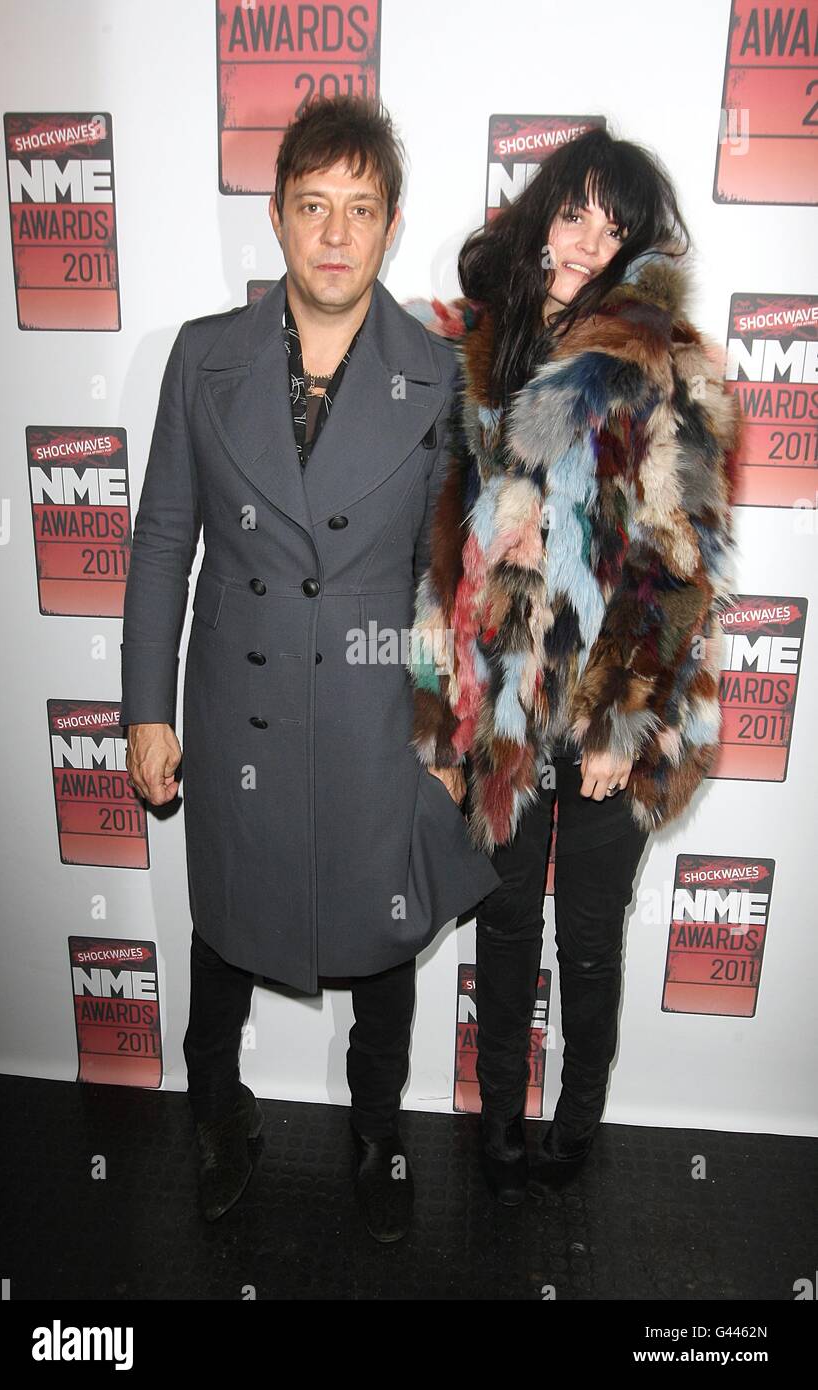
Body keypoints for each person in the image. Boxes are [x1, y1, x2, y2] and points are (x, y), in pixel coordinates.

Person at [119, 94, 500, 1242]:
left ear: (389, 227)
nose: (335, 235)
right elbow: (160, 540)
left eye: (361, 210)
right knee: (225, 925)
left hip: (380, 710)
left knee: (385, 934)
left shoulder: (437, 374)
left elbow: (466, 577)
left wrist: (451, 738)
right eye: (312, 207)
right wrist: (145, 708)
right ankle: (217, 1113)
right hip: (236, 709)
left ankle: (379, 1128)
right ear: (277, 217)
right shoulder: (201, 358)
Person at [406, 126, 742, 1204]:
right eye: (574, 209)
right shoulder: (481, 342)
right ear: (543, 206)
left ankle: (578, 1128)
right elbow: (439, 529)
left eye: (615, 224)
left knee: (585, 936)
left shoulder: (661, 357)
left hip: (607, 694)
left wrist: (620, 719)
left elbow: (677, 556)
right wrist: (438, 701)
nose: (587, 239)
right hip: (503, 697)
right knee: (502, 924)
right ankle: (496, 1121)